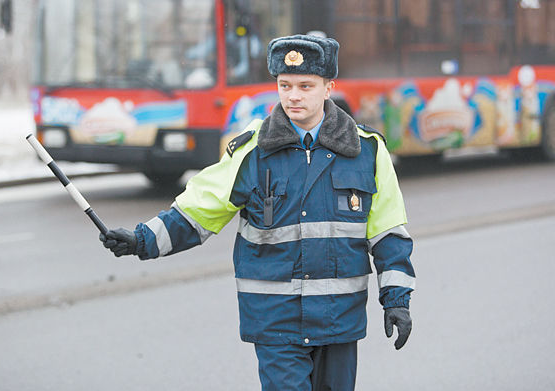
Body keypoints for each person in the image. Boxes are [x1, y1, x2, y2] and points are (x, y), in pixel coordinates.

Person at [100, 34, 415, 390]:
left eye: (305, 86)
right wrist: (142, 240)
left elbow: (388, 233)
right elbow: (199, 211)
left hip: (337, 320)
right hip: (275, 321)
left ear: (329, 87)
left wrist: (396, 300)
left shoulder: (367, 151)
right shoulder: (252, 149)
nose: (293, 95)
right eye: (285, 85)